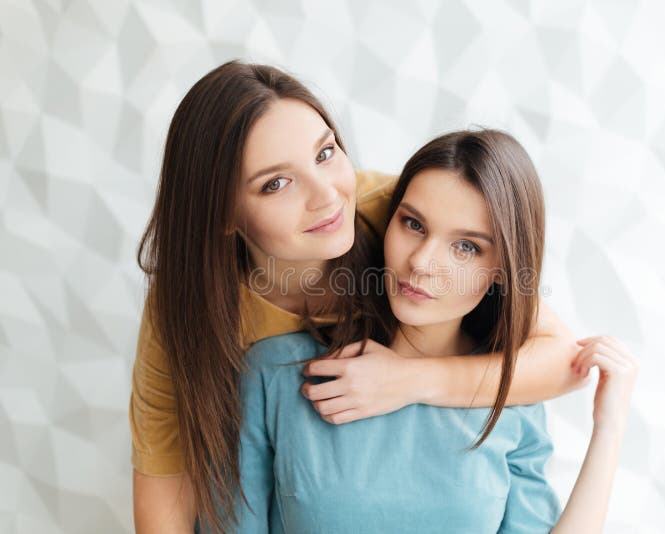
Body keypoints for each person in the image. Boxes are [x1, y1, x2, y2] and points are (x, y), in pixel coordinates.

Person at [131, 61, 587, 533]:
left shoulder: (396, 212)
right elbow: (162, 503)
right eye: (276, 183)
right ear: (222, 214)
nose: (327, 196)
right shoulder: (189, 312)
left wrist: (410, 382)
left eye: (325, 153)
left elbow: (563, 360)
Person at [234, 130, 639, 533]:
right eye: (413, 224)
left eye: (466, 247)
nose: (422, 262)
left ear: (502, 269)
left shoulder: (514, 398)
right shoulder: (278, 371)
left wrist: (609, 428)